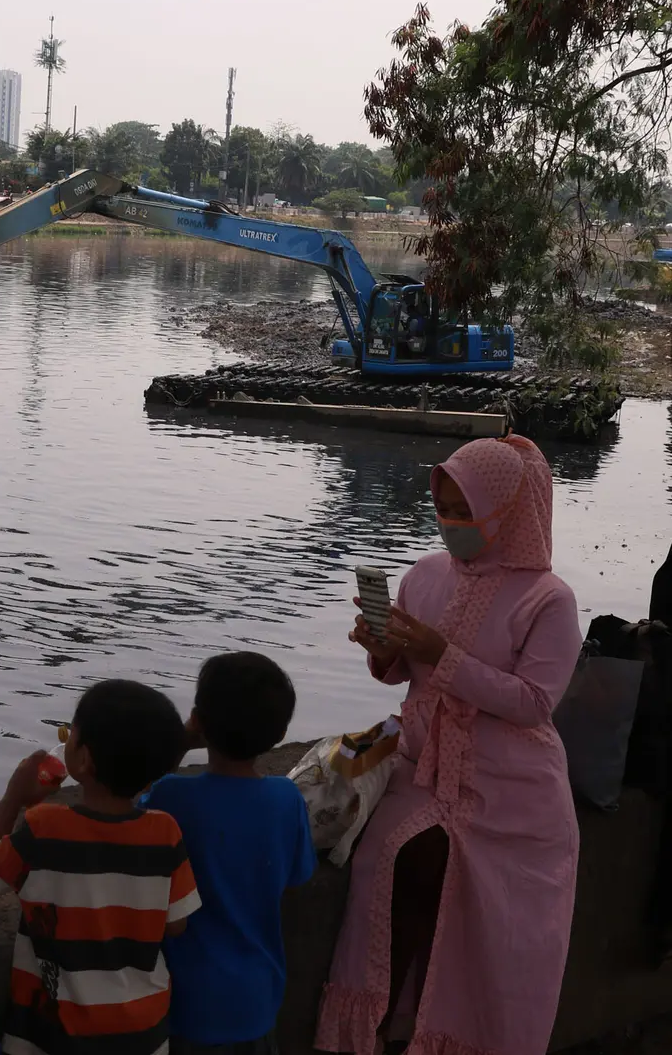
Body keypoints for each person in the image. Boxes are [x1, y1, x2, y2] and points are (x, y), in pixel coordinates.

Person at [316, 434, 582, 1055]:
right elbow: (405, 674)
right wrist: (385, 650)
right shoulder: (426, 575)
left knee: (483, 922)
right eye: (443, 509)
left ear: (507, 512)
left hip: (509, 789)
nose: (451, 524)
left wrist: (443, 654)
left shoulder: (549, 599)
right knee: (385, 874)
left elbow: (533, 702)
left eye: (466, 512)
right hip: (423, 769)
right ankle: (381, 1027)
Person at [0, 678, 200, 1055]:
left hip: (51, 1035)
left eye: (72, 732)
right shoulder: (165, 832)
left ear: (82, 759)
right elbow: (177, 924)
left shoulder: (44, 826)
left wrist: (15, 797)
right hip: (140, 1034)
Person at [141, 652, 315, 1055]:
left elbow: (130, 812)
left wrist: (178, 745)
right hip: (256, 998)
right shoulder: (286, 799)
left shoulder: (171, 796)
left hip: (185, 1000)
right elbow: (298, 874)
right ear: (279, 733)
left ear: (198, 722)